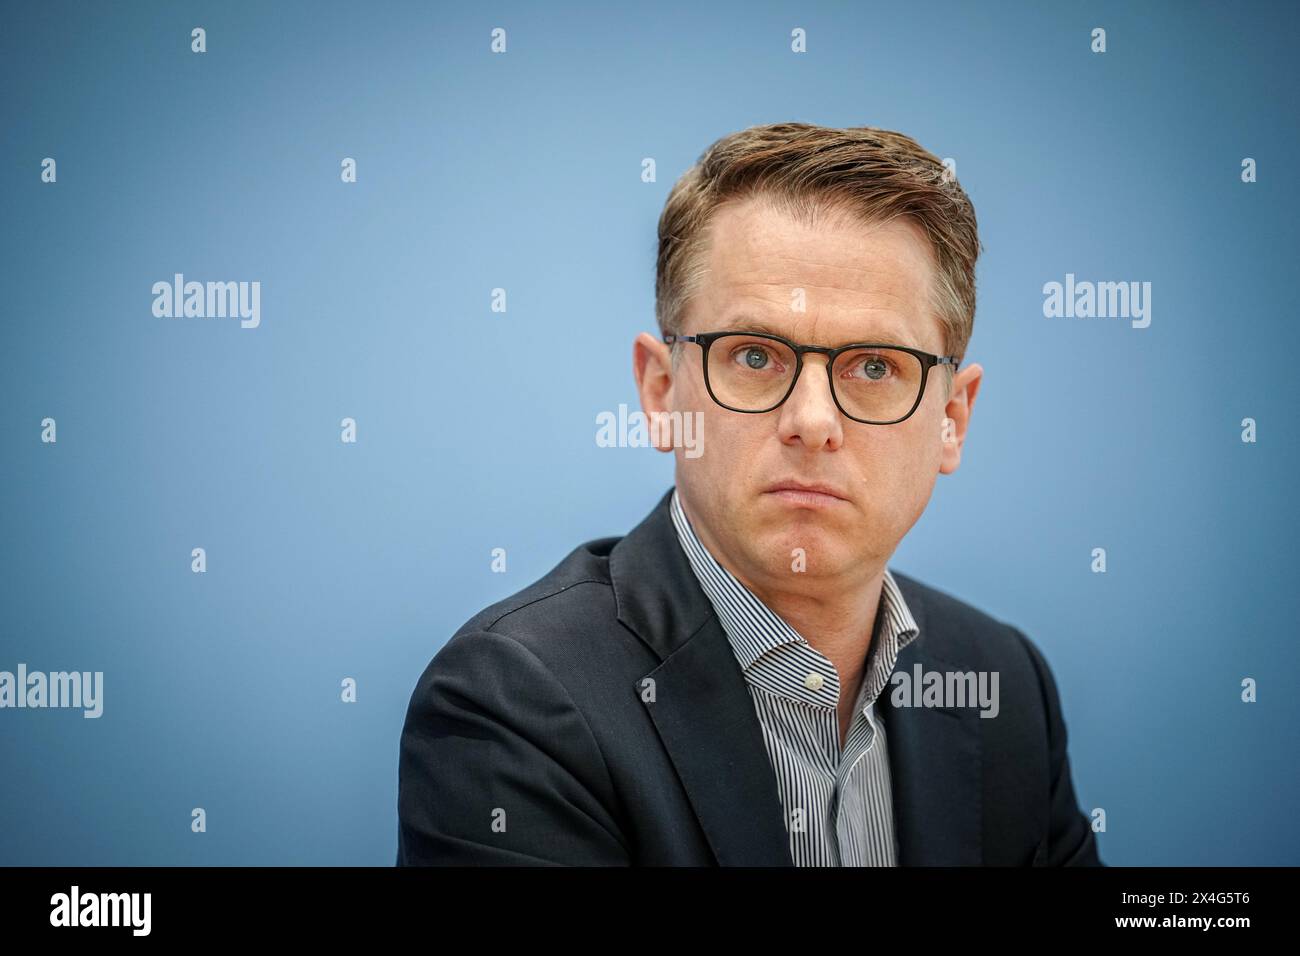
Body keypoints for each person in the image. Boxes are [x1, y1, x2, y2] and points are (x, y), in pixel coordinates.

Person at [397, 122, 1102, 866]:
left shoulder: (1000, 681)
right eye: (756, 356)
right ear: (662, 393)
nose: (812, 422)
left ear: (951, 419)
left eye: (874, 367)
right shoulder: (513, 702)